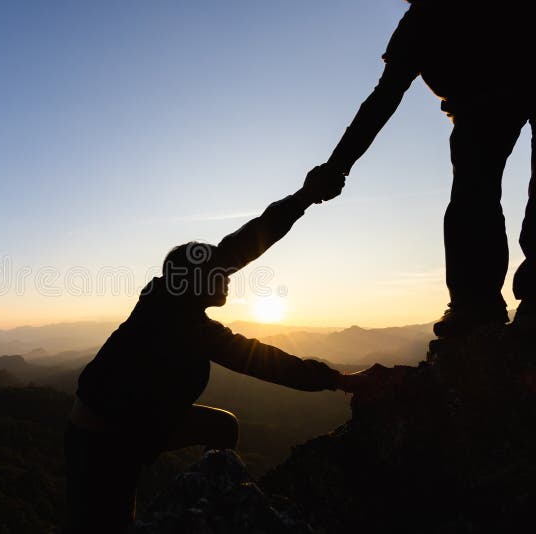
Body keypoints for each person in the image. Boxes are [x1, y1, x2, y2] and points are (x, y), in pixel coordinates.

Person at [64, 170, 366, 533]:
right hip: (104, 441)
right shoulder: (182, 323)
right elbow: (263, 362)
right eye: (218, 272)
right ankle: (209, 506)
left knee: (221, 428)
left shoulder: (169, 299)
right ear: (197, 281)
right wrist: (336, 380)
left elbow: (245, 241)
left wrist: (303, 198)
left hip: (135, 423)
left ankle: (210, 495)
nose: (228, 276)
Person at [308, 0, 535, 336]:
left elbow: (383, 98)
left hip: (495, 94)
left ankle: (477, 304)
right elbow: (384, 97)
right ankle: (475, 304)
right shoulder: (420, 23)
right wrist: (338, 165)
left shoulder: (425, 21)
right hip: (478, 109)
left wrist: (337, 166)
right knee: (472, 196)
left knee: (473, 195)